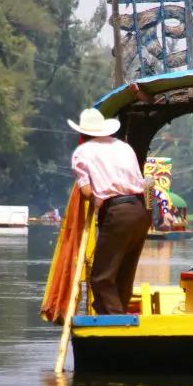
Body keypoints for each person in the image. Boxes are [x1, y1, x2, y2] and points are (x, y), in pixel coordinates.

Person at [68, 107, 151, 315]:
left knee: (100, 276)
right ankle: (118, 314)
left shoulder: (82, 152)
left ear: (83, 134)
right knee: (125, 273)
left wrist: (85, 186)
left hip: (118, 212)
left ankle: (116, 319)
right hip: (141, 211)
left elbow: (87, 192)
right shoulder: (124, 148)